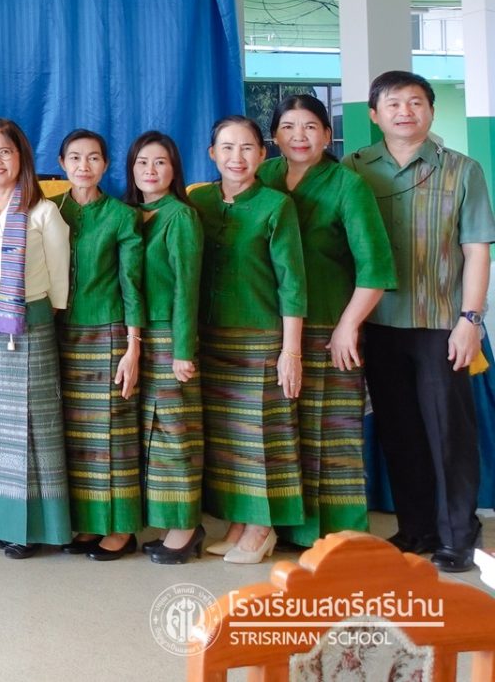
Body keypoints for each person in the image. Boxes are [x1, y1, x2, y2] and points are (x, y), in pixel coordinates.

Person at [343, 70, 495, 574]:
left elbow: (476, 251)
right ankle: (417, 528)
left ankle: (458, 534)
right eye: (392, 103)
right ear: (373, 115)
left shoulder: (462, 169)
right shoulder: (355, 168)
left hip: (441, 323)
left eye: (415, 102)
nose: (404, 111)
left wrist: (471, 318)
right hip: (378, 324)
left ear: (429, 109)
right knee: (399, 431)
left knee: (448, 431)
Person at [259, 94, 394, 551]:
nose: (300, 136)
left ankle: (340, 535)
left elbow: (374, 268)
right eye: (289, 127)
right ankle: (287, 528)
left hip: (329, 328)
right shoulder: (262, 177)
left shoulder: (346, 185)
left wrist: (347, 326)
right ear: (273, 136)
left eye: (311, 127)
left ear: (326, 133)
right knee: (280, 432)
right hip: (271, 329)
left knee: (333, 432)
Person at [192, 114, 307, 565]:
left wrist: (290, 350)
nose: (236, 157)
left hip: (260, 337)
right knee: (227, 438)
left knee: (260, 435)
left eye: (246, 148)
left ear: (263, 155)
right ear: (212, 154)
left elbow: (292, 282)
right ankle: (239, 519)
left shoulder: (277, 205)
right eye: (227, 148)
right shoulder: (198, 202)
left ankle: (262, 528)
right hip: (210, 336)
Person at [0, 118, 71, 559]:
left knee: (34, 430)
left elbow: (60, 283)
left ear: (21, 156)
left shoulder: (44, 212)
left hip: (31, 327)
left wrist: (35, 318)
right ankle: (1, 523)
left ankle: (40, 526)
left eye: (5, 151)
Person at [55, 130, 145, 560]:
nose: (84, 166)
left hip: (109, 334)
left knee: (113, 434)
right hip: (62, 336)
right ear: (62, 163)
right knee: (77, 437)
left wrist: (133, 345)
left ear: (106, 166)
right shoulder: (50, 211)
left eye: (93, 158)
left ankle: (121, 528)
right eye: (75, 158)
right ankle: (90, 524)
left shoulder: (121, 216)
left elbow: (132, 284)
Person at [124, 132, 206, 564]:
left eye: (160, 162)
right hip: (136, 336)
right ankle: (170, 520)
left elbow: (186, 288)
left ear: (174, 169)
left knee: (174, 433)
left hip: (169, 337)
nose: (150, 171)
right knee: (148, 437)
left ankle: (186, 527)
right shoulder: (132, 214)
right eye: (142, 163)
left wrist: (182, 350)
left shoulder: (180, 216)